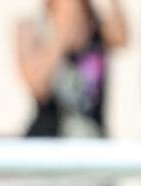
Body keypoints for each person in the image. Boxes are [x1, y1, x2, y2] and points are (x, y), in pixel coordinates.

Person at [17, 0, 127, 138]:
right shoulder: (34, 30)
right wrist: (60, 35)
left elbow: (122, 38)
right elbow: (39, 88)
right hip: (48, 139)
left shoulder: (97, 31)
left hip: (92, 139)